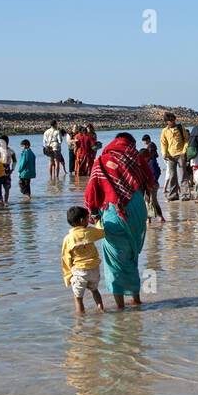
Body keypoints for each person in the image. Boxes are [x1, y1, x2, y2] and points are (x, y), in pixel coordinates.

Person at [83, 133, 153, 310]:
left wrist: (93, 215)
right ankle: (136, 300)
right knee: (131, 256)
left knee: (114, 260)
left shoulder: (101, 161)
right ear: (130, 143)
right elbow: (150, 180)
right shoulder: (135, 157)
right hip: (137, 210)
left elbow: (91, 192)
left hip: (114, 212)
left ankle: (120, 305)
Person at [61, 206, 106, 314]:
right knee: (94, 290)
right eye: (87, 218)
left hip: (79, 271)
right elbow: (102, 232)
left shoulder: (68, 238)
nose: (88, 221)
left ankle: (80, 319)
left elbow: (66, 258)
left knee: (78, 297)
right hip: (94, 269)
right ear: (82, 220)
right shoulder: (89, 232)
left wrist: (68, 275)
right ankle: (101, 310)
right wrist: (98, 221)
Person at [160, 112, 189, 201]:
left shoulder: (180, 128)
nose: (173, 122)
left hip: (181, 154)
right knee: (172, 175)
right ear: (166, 122)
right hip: (170, 155)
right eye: (170, 120)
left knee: (183, 174)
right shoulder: (165, 131)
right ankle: (173, 194)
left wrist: (184, 151)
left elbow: (187, 140)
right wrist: (164, 153)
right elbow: (163, 143)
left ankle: (185, 194)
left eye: (173, 120)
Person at [139, 135, 164, 221]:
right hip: (149, 184)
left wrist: (152, 182)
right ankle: (157, 217)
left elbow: (157, 172)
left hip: (153, 184)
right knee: (149, 200)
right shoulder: (145, 164)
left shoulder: (152, 163)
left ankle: (150, 218)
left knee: (151, 201)